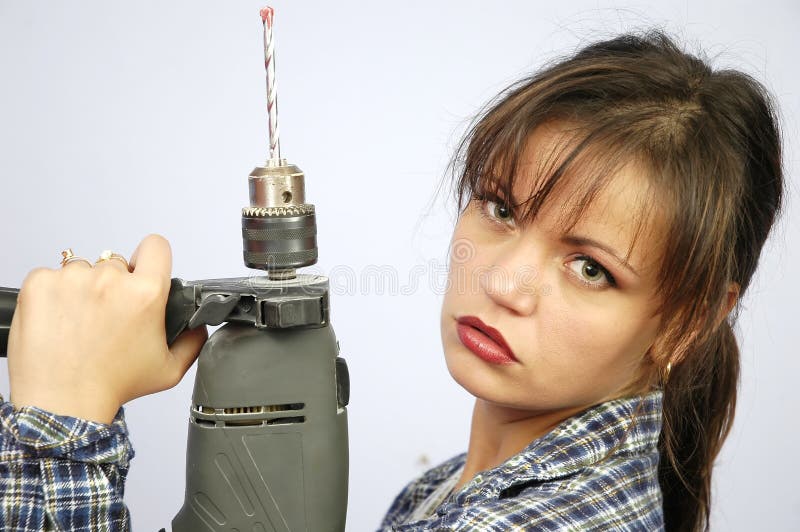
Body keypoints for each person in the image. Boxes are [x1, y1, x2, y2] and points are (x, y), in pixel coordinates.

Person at [0, 29, 784, 532]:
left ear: (686, 321)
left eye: (590, 268)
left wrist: (62, 428)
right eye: (501, 208)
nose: (505, 281)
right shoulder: (455, 495)